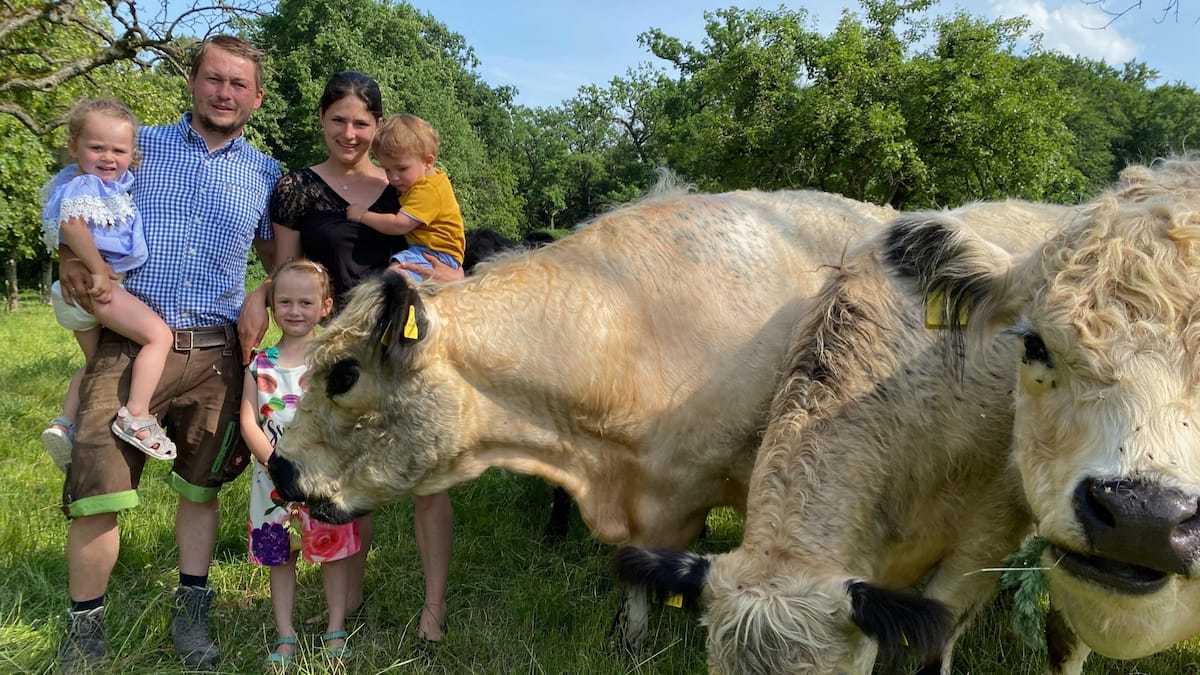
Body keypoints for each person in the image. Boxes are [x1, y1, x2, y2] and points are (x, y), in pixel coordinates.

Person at [55, 35, 281, 672]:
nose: (225, 93)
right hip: (133, 342)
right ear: (193, 80)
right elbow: (74, 203)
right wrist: (72, 255)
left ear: (256, 98)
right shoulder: (137, 146)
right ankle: (84, 630)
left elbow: (278, 264)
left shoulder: (264, 173)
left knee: (200, 489)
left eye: (239, 84)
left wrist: (264, 291)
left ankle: (192, 611)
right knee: (97, 486)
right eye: (214, 79)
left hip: (215, 351)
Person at [242, 71, 459, 644]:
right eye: (338, 119)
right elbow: (283, 273)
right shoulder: (296, 189)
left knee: (427, 481)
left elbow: (447, 261)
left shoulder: (409, 183)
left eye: (362, 122)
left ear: (378, 126)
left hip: (403, 351)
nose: (349, 132)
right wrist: (258, 303)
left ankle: (433, 606)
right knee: (343, 481)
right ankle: (350, 595)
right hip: (331, 359)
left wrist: (440, 273)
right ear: (321, 120)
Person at [39, 98, 177, 469]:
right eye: (96, 147)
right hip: (97, 288)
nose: (107, 157)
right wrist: (98, 269)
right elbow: (71, 225)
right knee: (158, 337)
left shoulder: (83, 183)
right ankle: (137, 414)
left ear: (133, 154)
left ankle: (63, 424)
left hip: (74, 293)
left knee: (96, 362)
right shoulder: (87, 185)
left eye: (118, 150)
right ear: (74, 147)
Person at [242, 259, 359, 665]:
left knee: (333, 550)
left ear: (325, 306)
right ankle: (285, 632)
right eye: (285, 301)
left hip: (323, 476)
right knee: (280, 554)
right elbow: (248, 421)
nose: (295, 310)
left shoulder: (334, 359)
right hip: (273, 480)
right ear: (272, 304)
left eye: (305, 302)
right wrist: (276, 462)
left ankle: (336, 626)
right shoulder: (260, 363)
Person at [346, 114, 466, 280]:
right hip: (433, 252)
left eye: (402, 169)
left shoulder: (427, 191)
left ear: (428, 162)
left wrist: (362, 215)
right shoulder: (429, 181)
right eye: (387, 169)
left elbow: (398, 224)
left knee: (394, 278)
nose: (394, 177)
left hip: (434, 254)